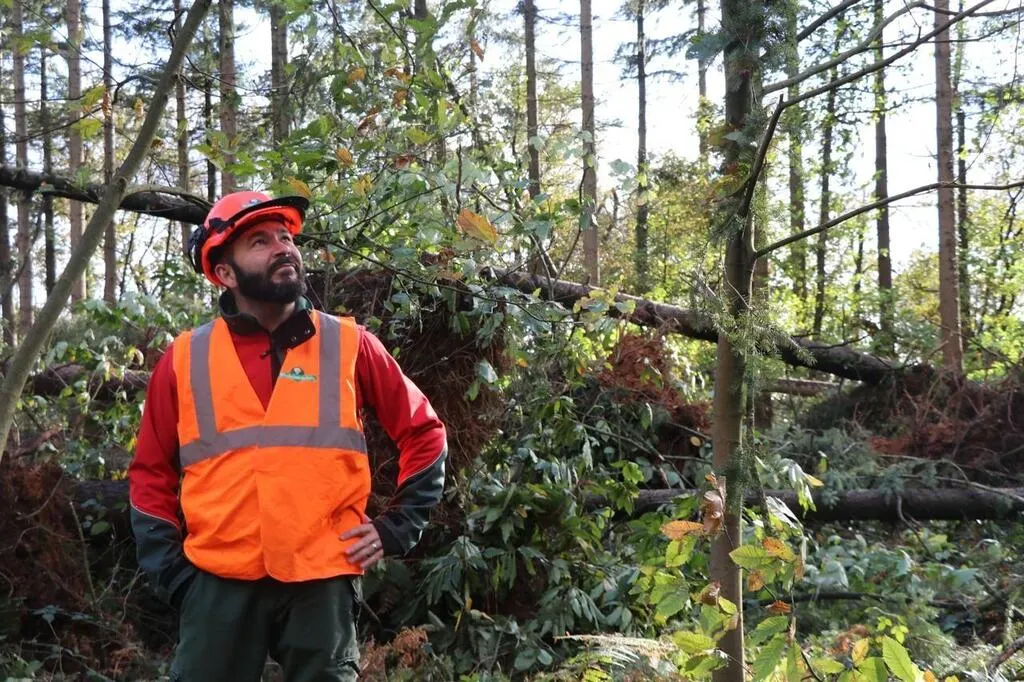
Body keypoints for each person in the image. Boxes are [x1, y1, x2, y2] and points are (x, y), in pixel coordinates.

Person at [127, 190, 447, 682]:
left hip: (322, 578)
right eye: (260, 241)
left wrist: (395, 527)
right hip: (217, 580)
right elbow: (150, 473)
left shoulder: (351, 343)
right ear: (226, 273)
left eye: (285, 237)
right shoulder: (184, 358)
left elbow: (424, 432)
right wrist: (173, 574)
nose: (283, 248)